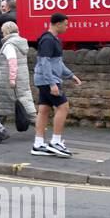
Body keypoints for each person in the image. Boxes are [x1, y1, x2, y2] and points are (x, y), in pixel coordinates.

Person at [33, 12, 82, 157]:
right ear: (58, 24)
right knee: (63, 106)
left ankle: (38, 144)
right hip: (47, 80)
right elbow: (44, 62)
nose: (67, 27)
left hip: (44, 80)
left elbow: (57, 63)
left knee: (44, 110)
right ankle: (55, 141)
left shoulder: (53, 39)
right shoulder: (48, 40)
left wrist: (71, 75)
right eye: (66, 25)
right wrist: (52, 83)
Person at [0, 21, 36, 138]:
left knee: (5, 104)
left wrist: (12, 79)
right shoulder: (20, 43)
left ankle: (39, 125)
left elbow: (12, 62)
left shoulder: (9, 45)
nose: (2, 34)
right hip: (22, 77)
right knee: (24, 100)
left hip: (11, 80)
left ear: (6, 31)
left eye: (2, 31)